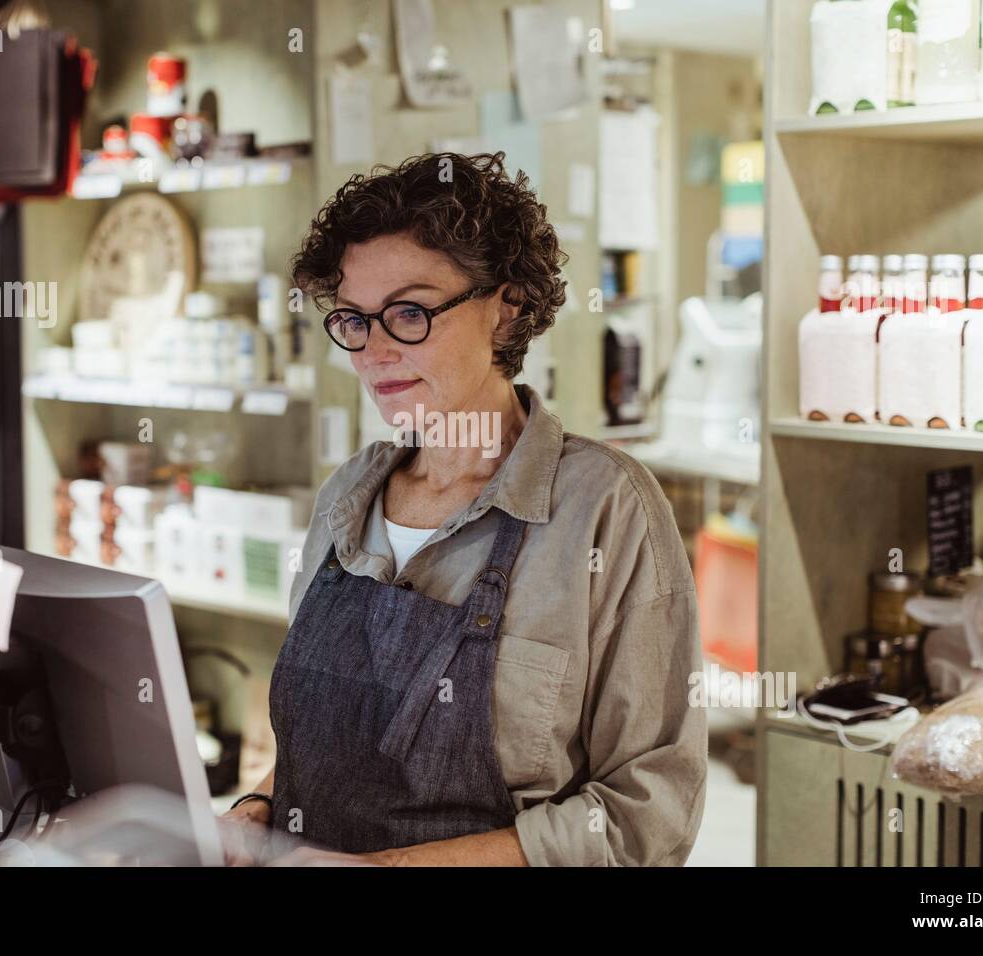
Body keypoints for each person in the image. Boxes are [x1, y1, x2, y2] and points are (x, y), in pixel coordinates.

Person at [218, 151, 705, 866]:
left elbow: (647, 816)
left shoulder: (604, 510)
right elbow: (328, 751)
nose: (375, 350)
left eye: (409, 313)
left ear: (505, 306)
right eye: (354, 320)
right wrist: (255, 806)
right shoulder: (345, 498)